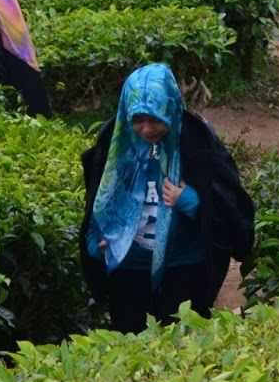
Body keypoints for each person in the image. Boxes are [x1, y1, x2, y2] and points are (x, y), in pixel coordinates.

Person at [80, 64, 254, 334]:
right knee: (130, 346)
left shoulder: (197, 142)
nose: (146, 129)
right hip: (128, 265)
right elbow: (98, 202)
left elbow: (229, 204)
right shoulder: (114, 143)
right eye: (137, 119)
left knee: (183, 342)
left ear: (171, 109)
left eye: (156, 119)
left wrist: (191, 201)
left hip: (183, 264)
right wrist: (97, 245)